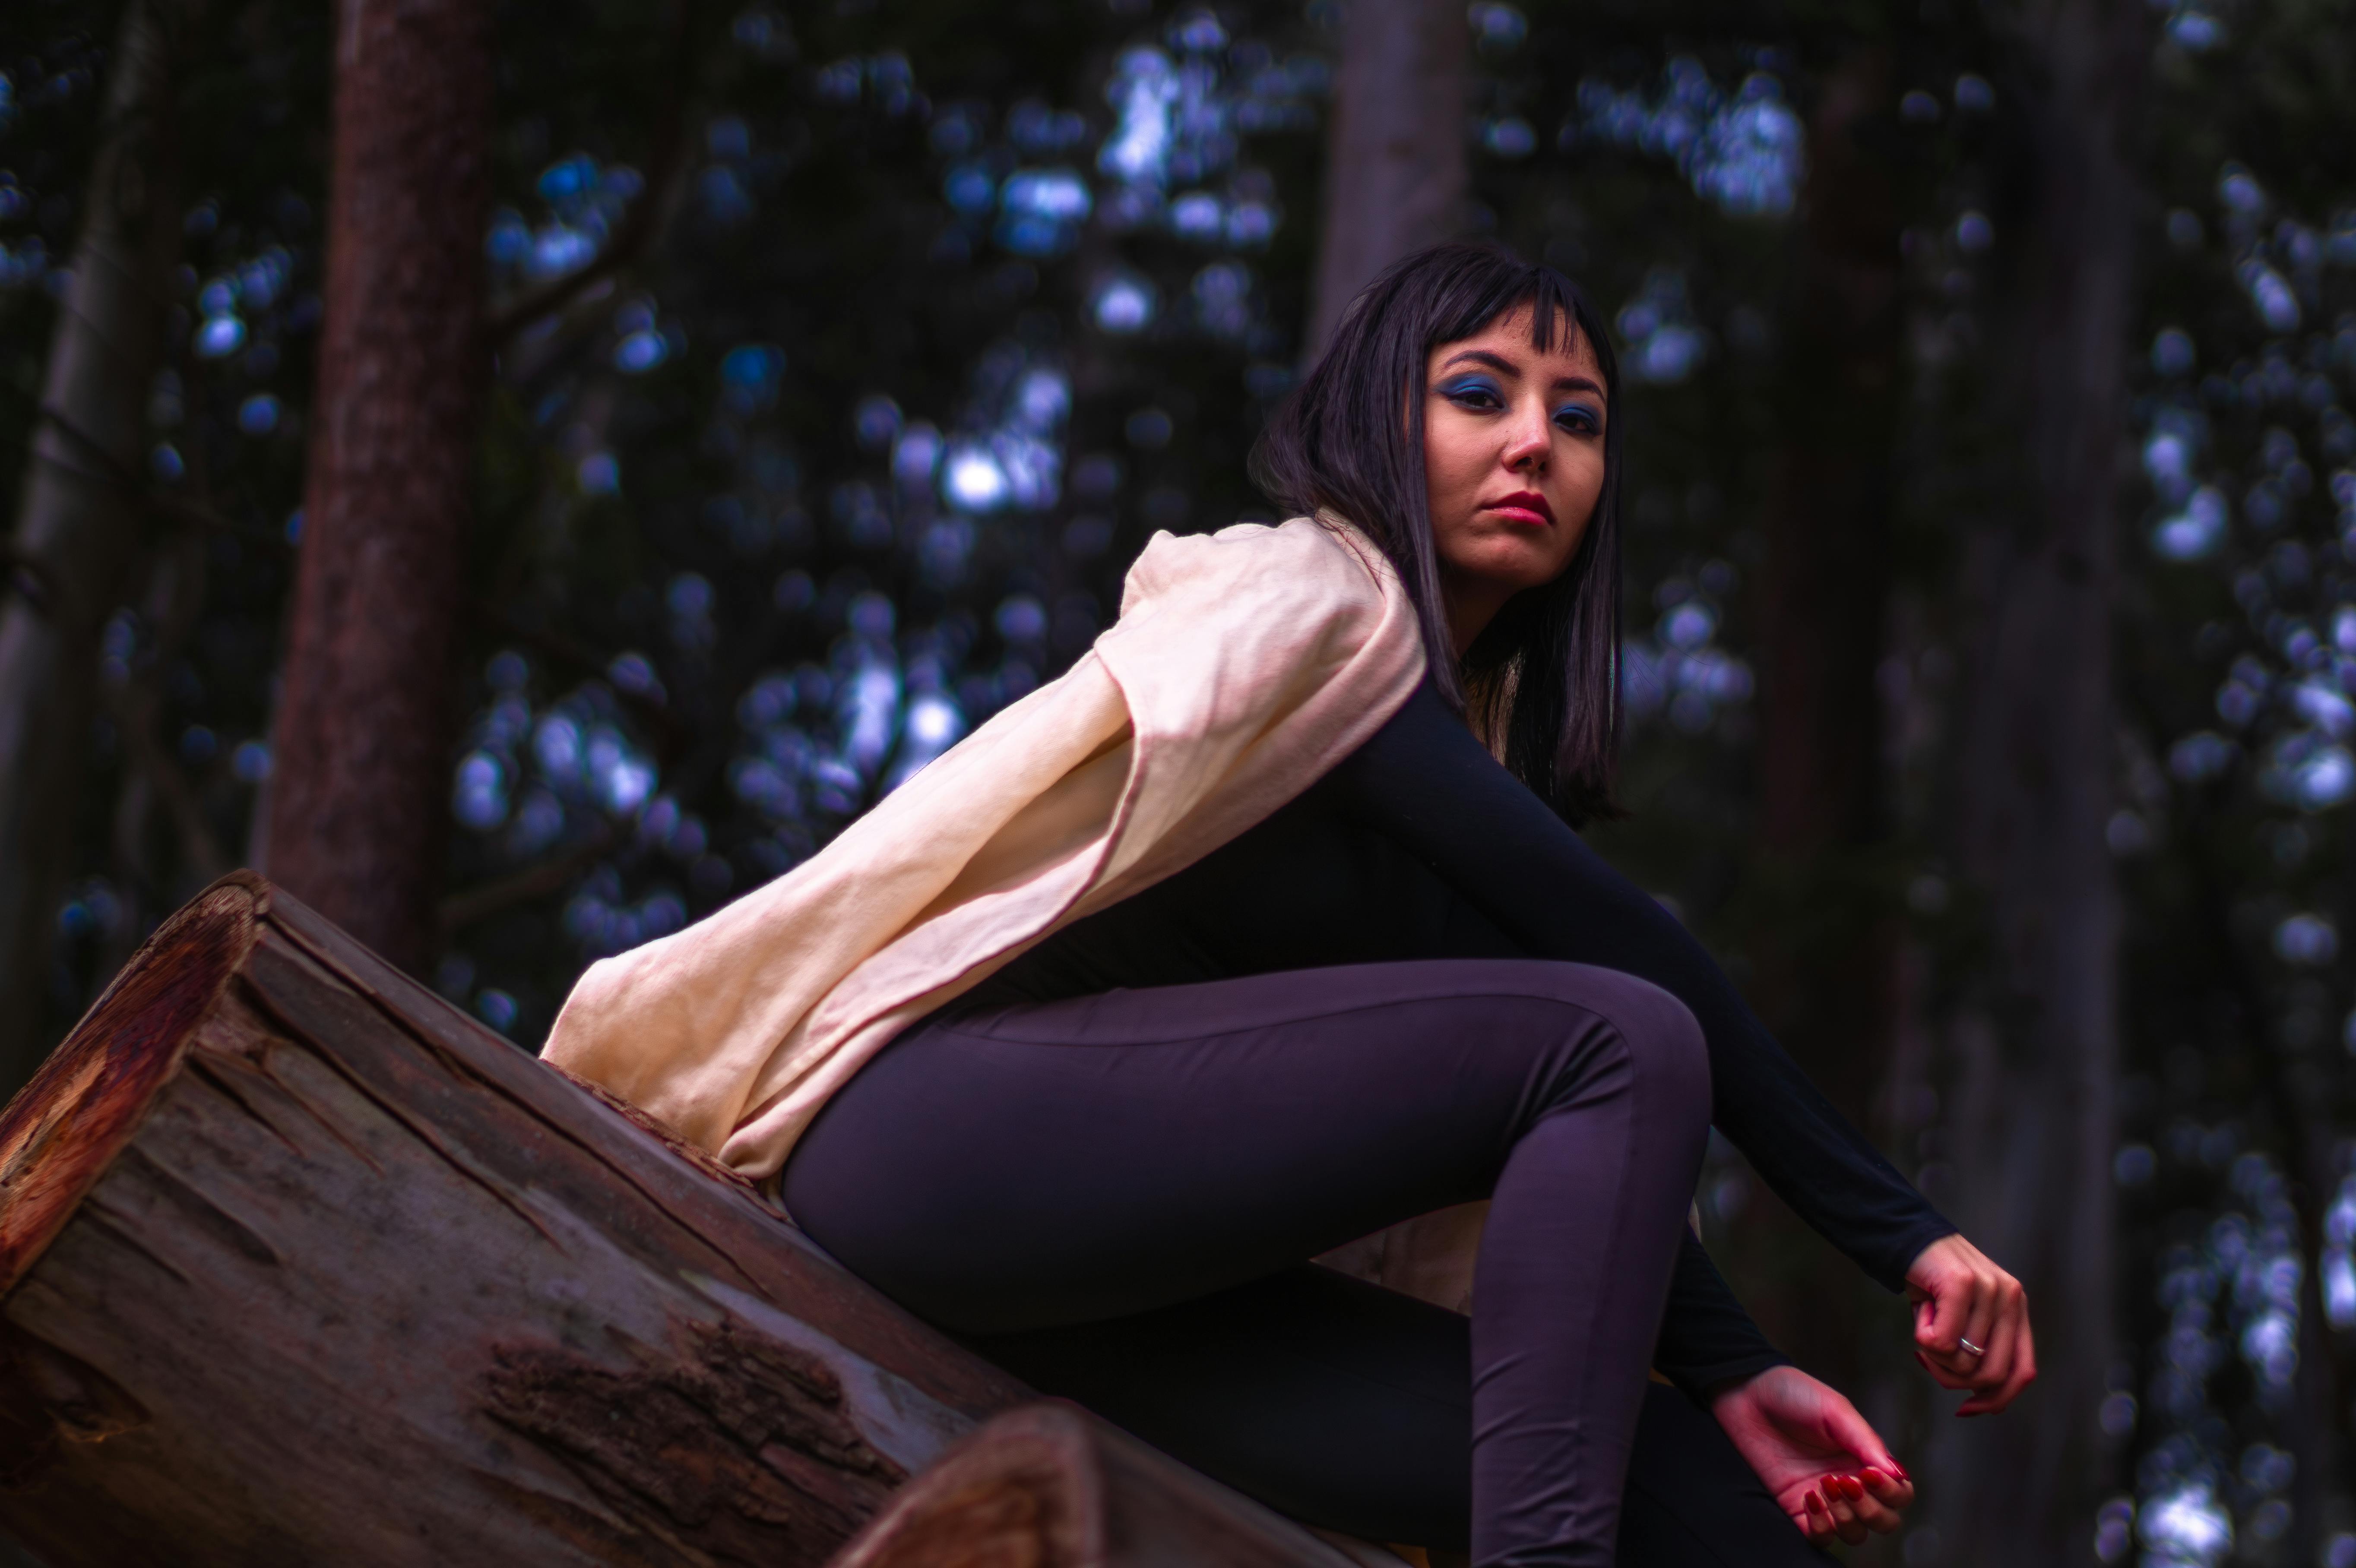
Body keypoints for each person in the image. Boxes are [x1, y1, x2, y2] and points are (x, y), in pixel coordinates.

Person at [548, 242, 2032, 1567]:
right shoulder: (1312, 609)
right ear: (1382, 417)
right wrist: (1901, 1235)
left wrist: (1722, 1370)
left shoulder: (1481, 747)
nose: (1537, 445)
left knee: (1664, 1475)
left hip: (1137, 1297)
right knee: (1620, 1034)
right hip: (923, 1149)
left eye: (1579, 422)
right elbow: (1622, 982)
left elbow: (1546, 1093)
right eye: (1481, 393)